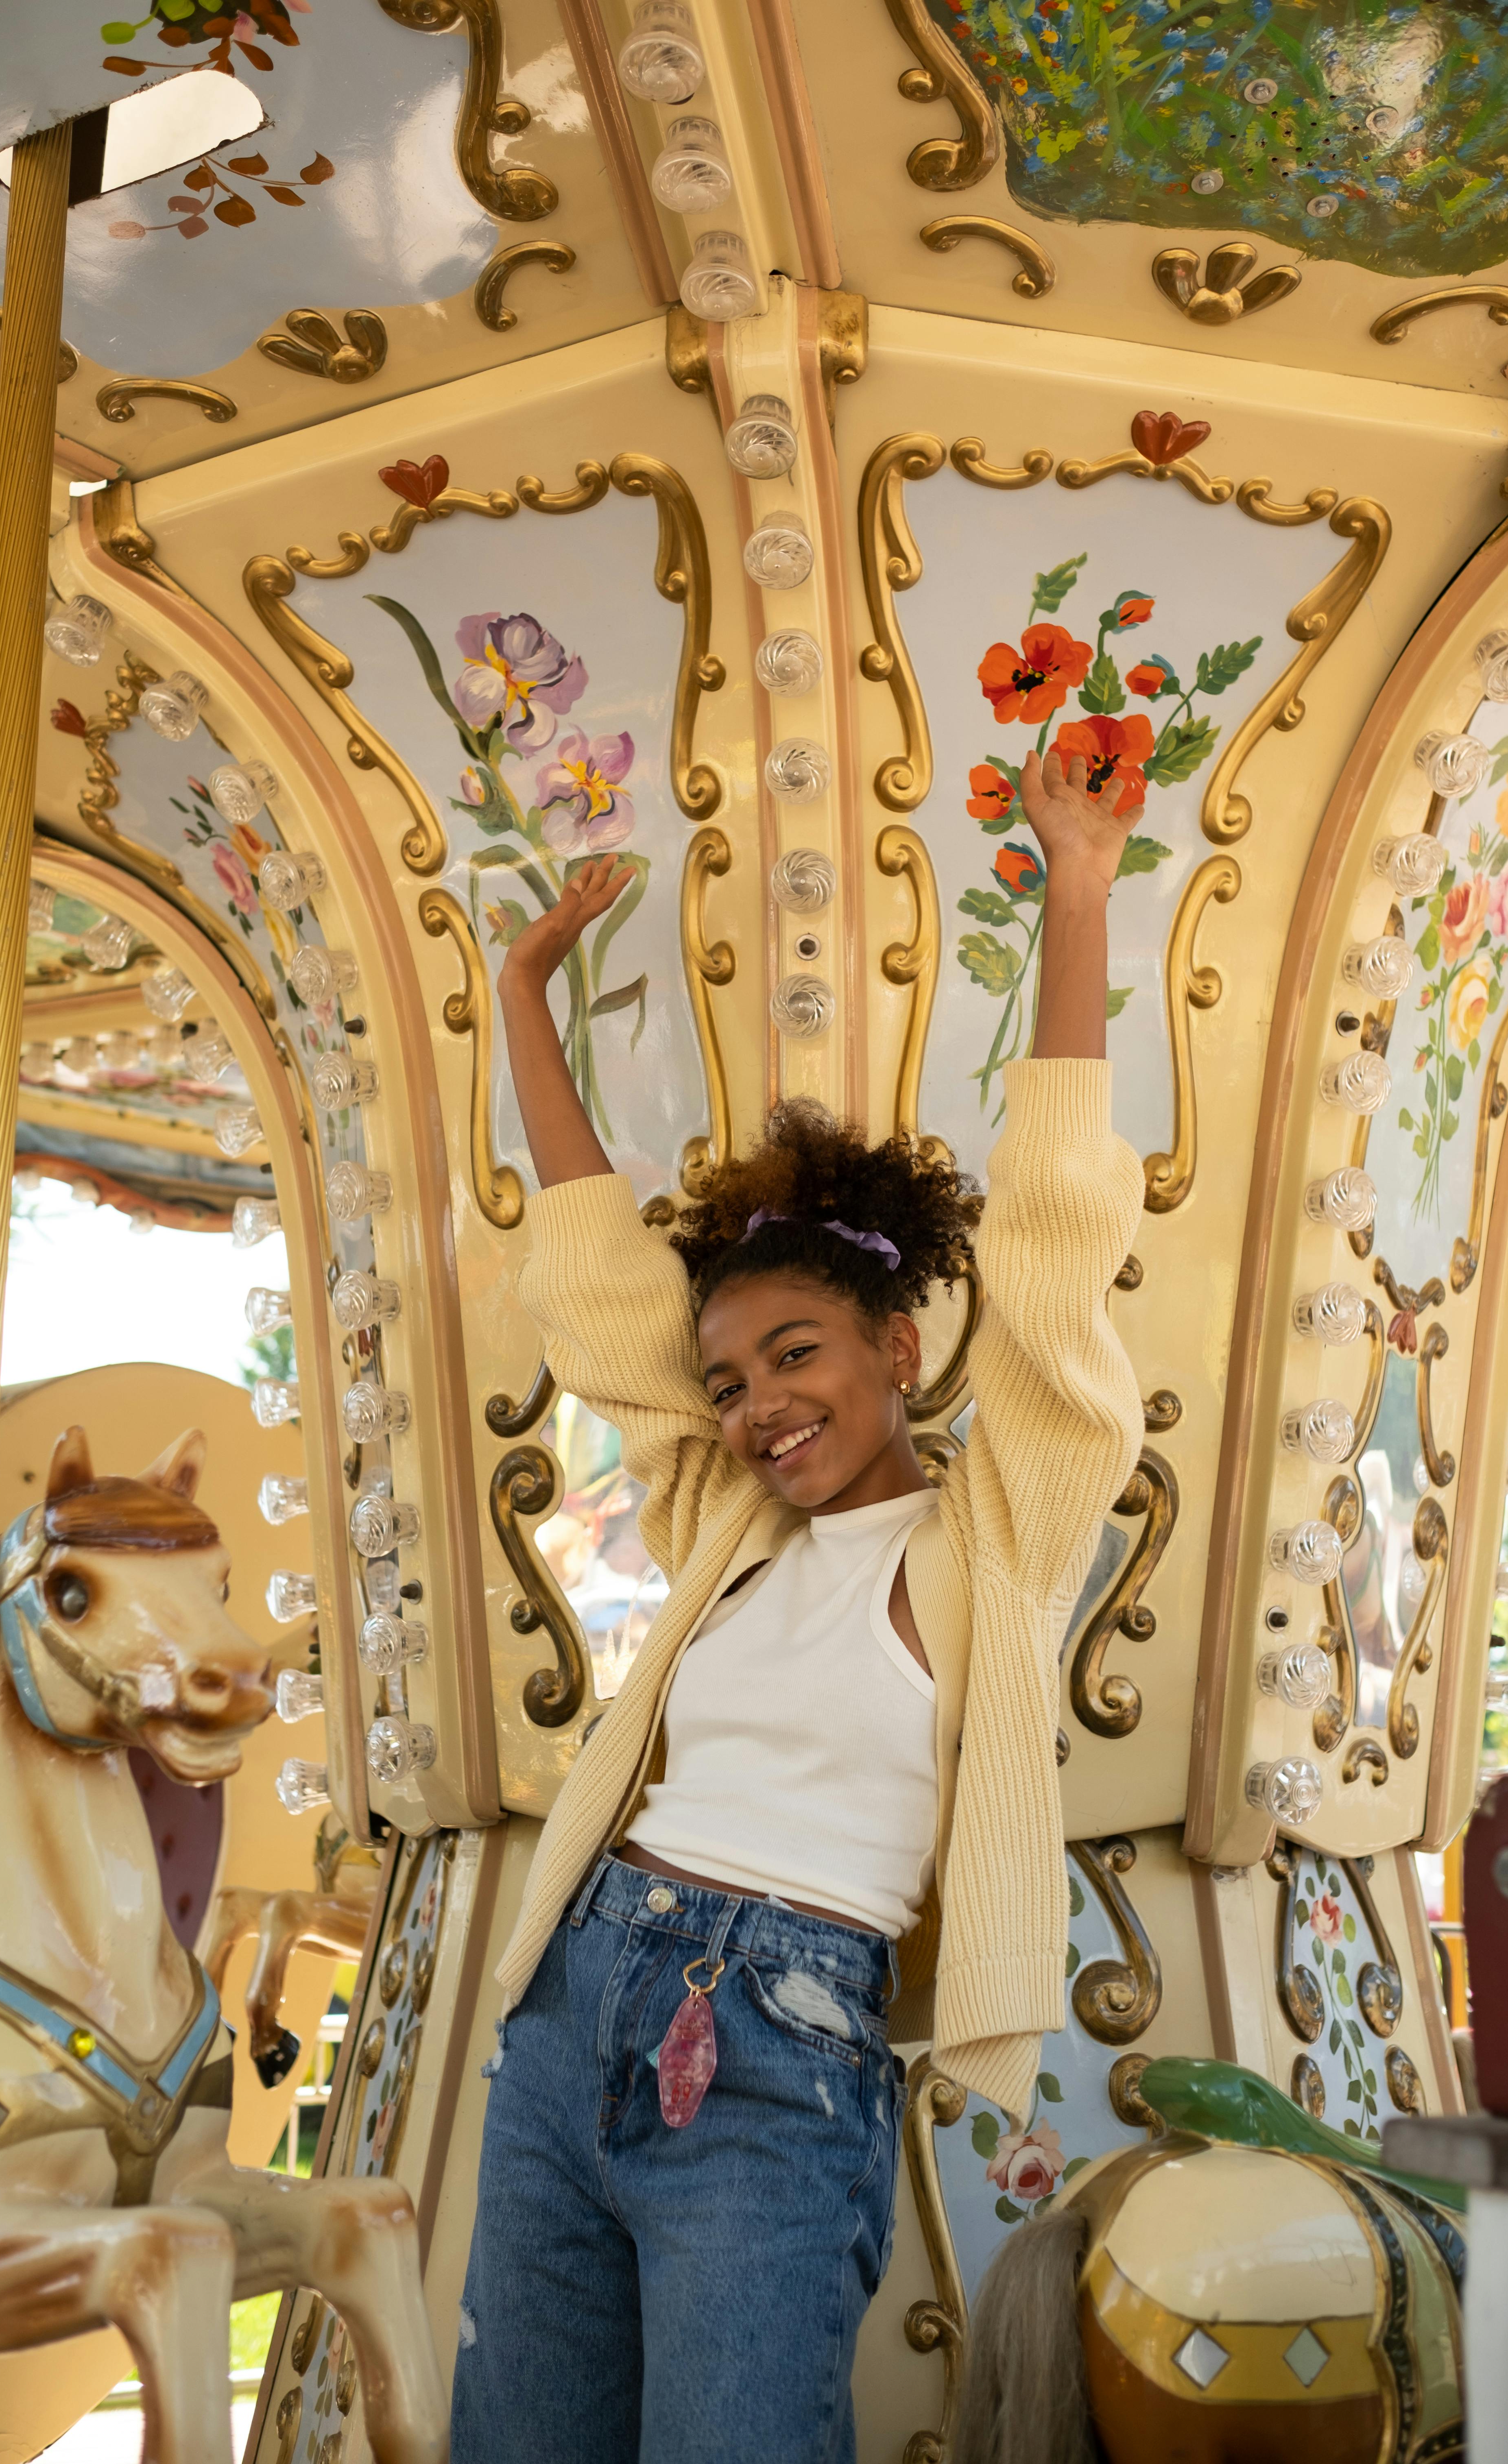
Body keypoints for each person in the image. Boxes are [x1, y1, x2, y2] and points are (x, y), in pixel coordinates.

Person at [453, 745, 1146, 2464]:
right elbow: (600, 1288)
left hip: (779, 2040)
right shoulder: (724, 1519)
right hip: (576, 2000)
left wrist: (1077, 887)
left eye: (794, 1354)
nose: (757, 1404)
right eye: (730, 1379)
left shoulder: (997, 1534)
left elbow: (1055, 1254)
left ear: (895, 1349)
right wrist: (519, 996)